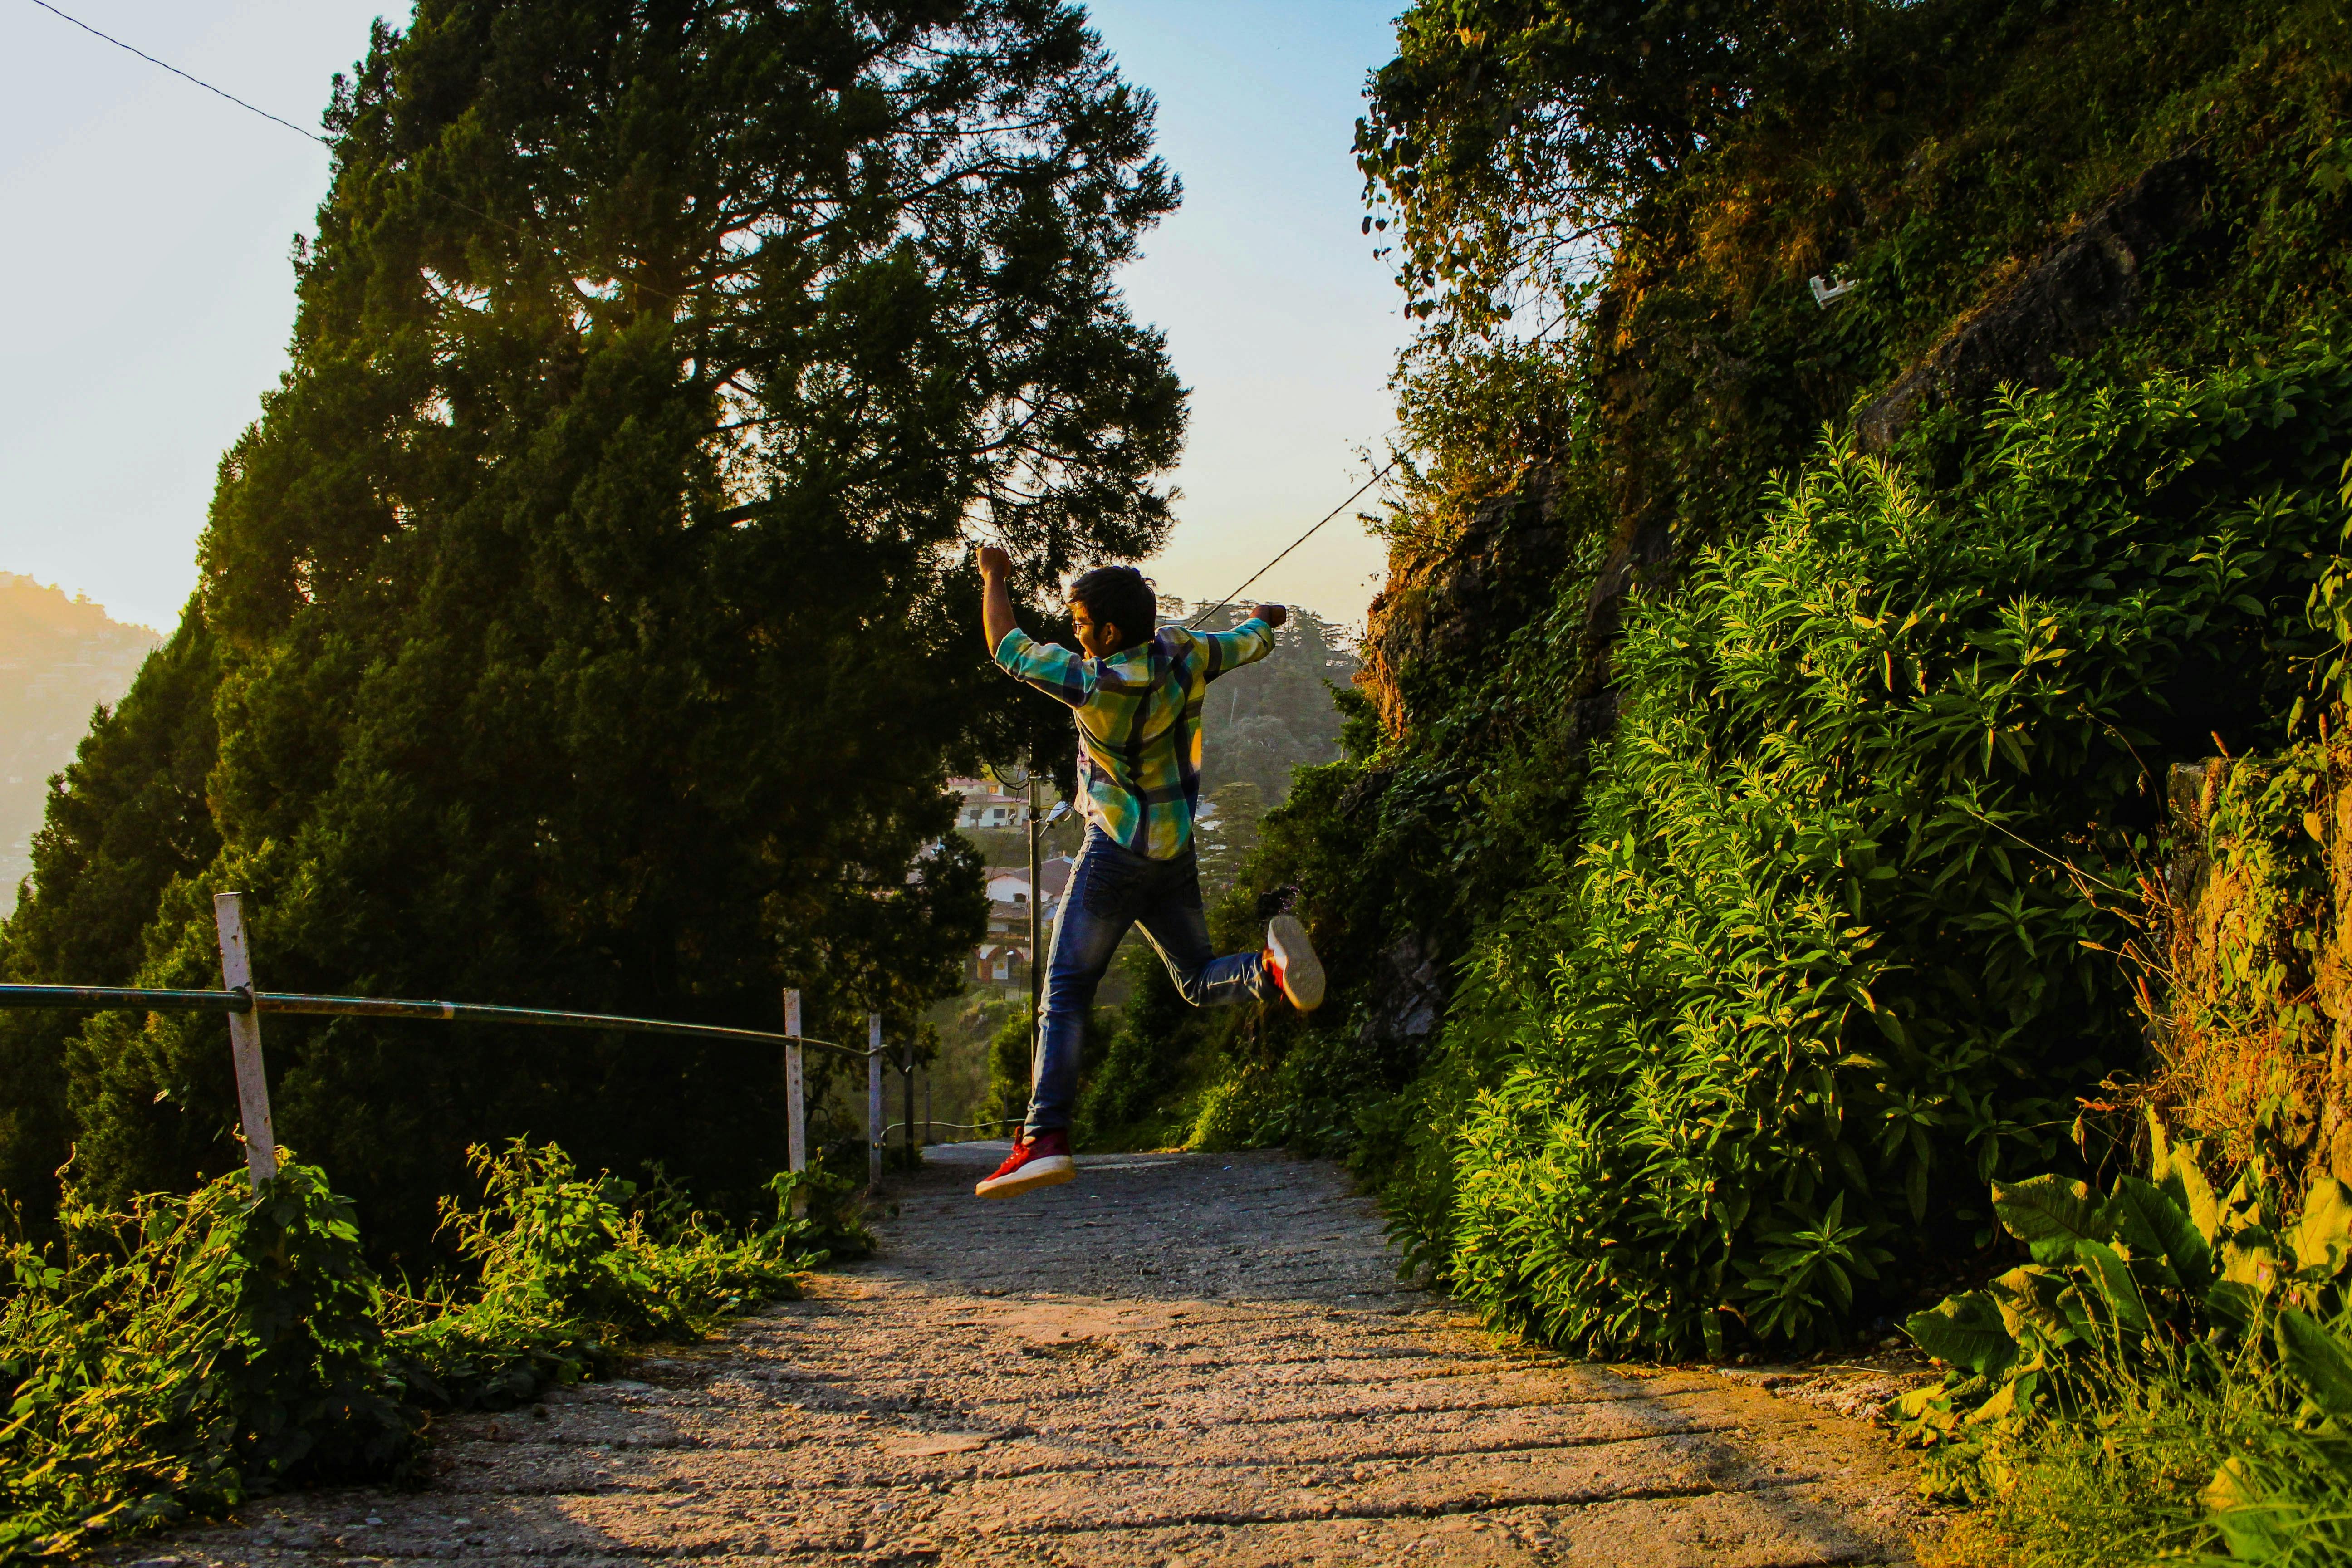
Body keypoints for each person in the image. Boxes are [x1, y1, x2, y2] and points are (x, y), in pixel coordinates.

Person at [971, 545, 1324, 1199]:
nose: (1075, 633)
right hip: (1173, 851)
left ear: (1108, 633)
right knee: (1196, 978)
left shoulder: (1091, 683)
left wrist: (994, 576)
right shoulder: (1185, 651)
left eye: (1081, 625)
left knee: (1065, 993)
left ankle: (1043, 1139)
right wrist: (1266, 618)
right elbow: (1249, 643)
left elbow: (1007, 647)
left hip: (1114, 854)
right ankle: (1269, 969)